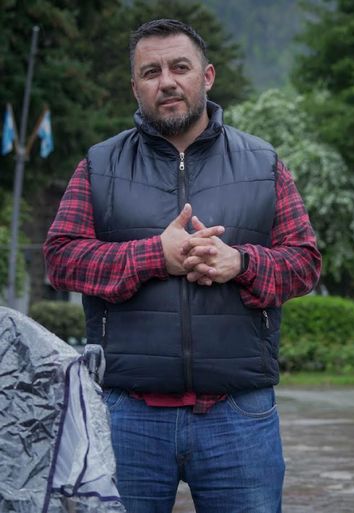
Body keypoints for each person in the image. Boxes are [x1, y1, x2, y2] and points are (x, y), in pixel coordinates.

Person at [43, 19, 321, 513]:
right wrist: (155, 255)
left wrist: (241, 263)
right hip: (125, 413)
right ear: (135, 87)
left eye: (180, 67)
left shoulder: (263, 164)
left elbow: (304, 262)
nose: (166, 81)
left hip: (239, 414)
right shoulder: (99, 165)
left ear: (207, 76)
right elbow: (61, 259)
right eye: (151, 72)